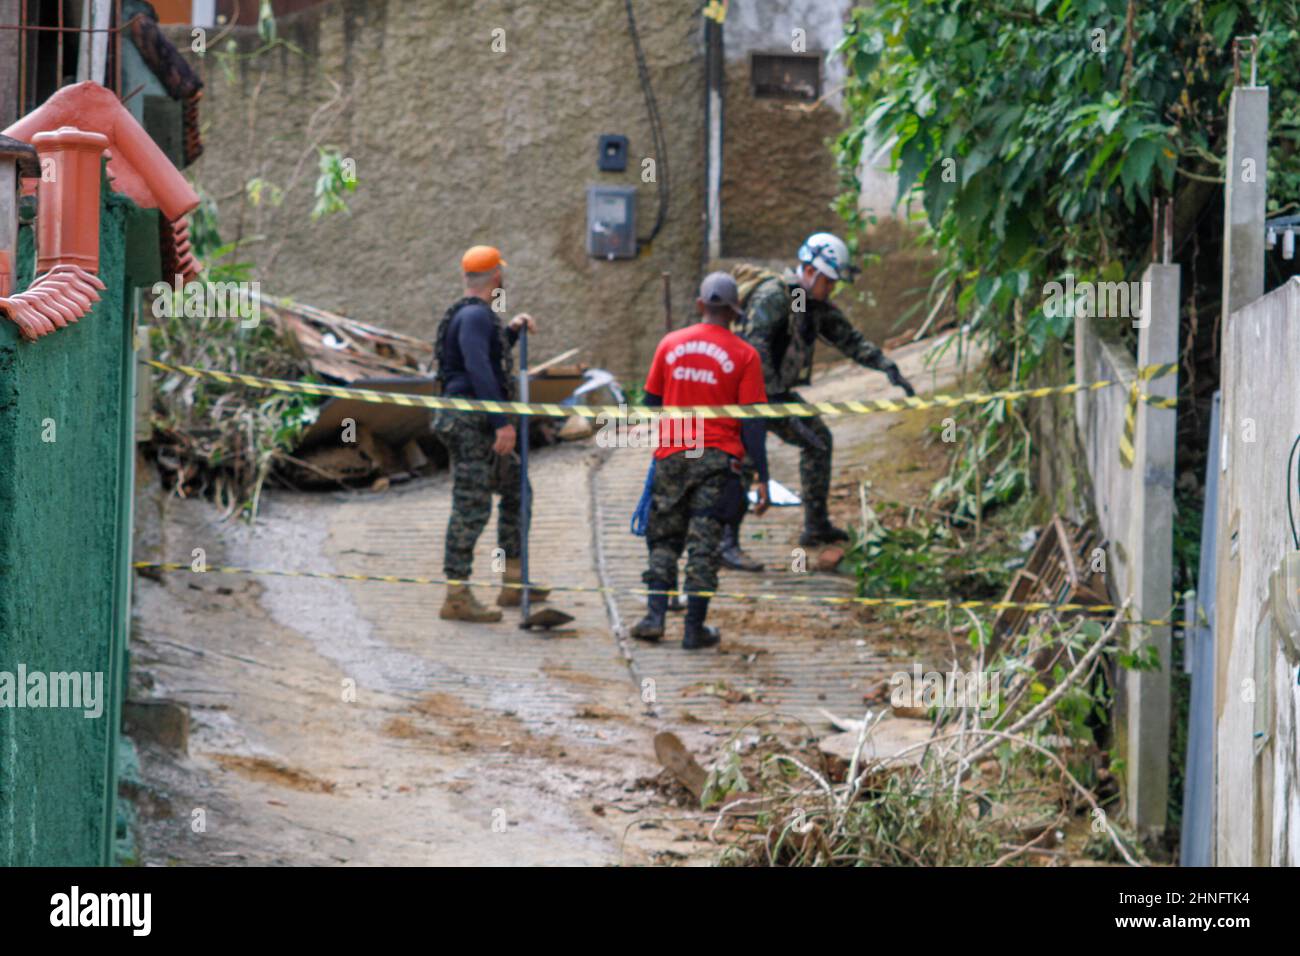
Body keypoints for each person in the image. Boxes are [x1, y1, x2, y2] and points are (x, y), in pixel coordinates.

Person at [729, 232, 915, 549]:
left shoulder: (813, 304)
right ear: (811, 271)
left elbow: (849, 339)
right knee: (742, 463)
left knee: (818, 441)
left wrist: (887, 367)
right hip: (747, 397)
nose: (831, 289)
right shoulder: (774, 296)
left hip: (777, 396)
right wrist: (767, 400)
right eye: (828, 281)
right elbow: (753, 349)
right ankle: (725, 541)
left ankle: (815, 525)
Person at [630, 272, 770, 650]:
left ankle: (655, 616)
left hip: (674, 450)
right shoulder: (745, 355)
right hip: (717, 460)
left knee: (663, 534)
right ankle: (694, 629)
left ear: (699, 306)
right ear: (734, 312)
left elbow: (650, 404)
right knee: (703, 542)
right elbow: (752, 423)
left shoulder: (669, 344)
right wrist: (762, 477)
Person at [432, 245, 548, 622]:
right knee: (472, 505)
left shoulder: (474, 317)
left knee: (517, 490)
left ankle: (513, 582)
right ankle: (456, 595)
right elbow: (478, 368)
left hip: (473, 418)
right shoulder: (475, 317)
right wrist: (502, 422)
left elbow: (485, 358)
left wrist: (511, 332)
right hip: (471, 424)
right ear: (496, 277)